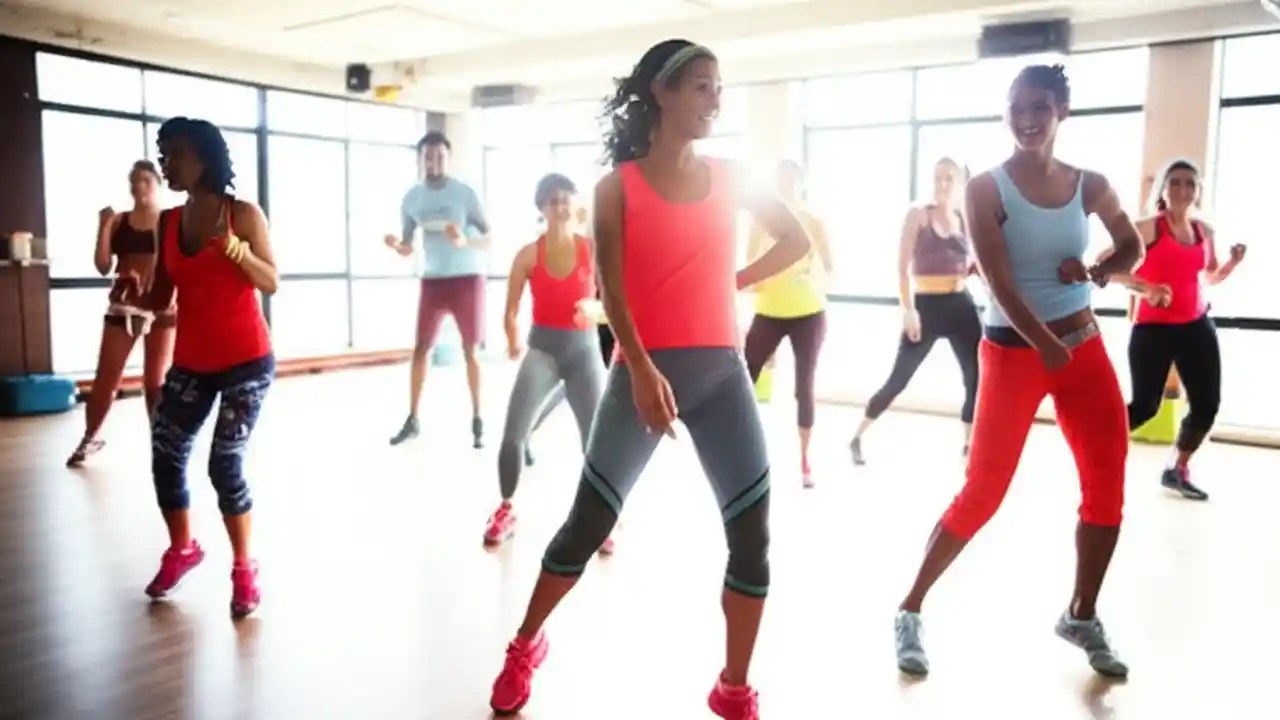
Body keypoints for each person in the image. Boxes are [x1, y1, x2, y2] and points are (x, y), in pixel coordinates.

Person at [486, 39, 810, 720]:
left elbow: (795, 239)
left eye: (719, 88)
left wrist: (736, 281)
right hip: (641, 370)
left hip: (722, 375)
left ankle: (734, 686)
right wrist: (637, 367)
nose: (714, 100)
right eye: (700, 86)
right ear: (660, 93)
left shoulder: (733, 174)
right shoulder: (616, 187)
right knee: (586, 525)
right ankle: (524, 644)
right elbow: (615, 288)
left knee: (753, 536)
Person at [892, 65, 1144, 680]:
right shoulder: (986, 188)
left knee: (1108, 482)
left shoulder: (1090, 185)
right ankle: (910, 608)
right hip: (1012, 353)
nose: (1027, 119)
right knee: (984, 490)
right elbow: (999, 280)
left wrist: (1097, 270)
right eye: (1016, 107)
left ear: (1062, 112)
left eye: (1040, 107)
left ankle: (1082, 614)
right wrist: (1043, 344)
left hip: (1081, 345)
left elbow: (1131, 244)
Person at [143, 117, 278, 619]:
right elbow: (162, 293)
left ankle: (245, 568)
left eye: (176, 154)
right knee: (165, 454)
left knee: (224, 463)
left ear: (205, 158)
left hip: (246, 361)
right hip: (193, 362)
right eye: (164, 155)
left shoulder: (242, 213)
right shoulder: (168, 222)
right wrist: (136, 296)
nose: (168, 164)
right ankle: (183, 549)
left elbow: (270, 281)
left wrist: (234, 248)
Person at [485, 173, 612, 554]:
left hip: (585, 352)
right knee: (513, 434)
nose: (560, 206)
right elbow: (510, 310)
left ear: (574, 204)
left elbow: (615, 305)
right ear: (541, 208)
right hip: (543, 350)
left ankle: (603, 518)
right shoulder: (528, 255)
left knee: (595, 442)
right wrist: (510, 339)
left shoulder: (593, 250)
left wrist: (595, 310)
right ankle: (506, 508)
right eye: (552, 200)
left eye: (565, 199)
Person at [1104, 158, 1245, 501]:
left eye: (1190, 184)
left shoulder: (1203, 232)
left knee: (1207, 404)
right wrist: (1148, 288)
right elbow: (1104, 268)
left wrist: (1231, 263)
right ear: (1164, 189)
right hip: (1153, 329)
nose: (1183, 189)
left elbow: (1208, 276)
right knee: (1145, 406)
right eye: (1176, 182)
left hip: (1196, 324)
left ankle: (1177, 469)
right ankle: (1098, 450)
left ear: (1197, 192)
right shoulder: (1147, 229)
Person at [850, 158, 980, 465]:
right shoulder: (918, 215)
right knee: (899, 378)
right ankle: (858, 436)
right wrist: (908, 310)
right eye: (938, 178)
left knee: (976, 377)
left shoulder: (963, 218)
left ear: (959, 182)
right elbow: (901, 269)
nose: (943, 184)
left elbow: (969, 262)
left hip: (961, 305)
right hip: (927, 308)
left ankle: (969, 445)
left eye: (950, 178)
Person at [386, 131, 492, 449]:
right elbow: (408, 245)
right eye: (428, 157)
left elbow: (489, 237)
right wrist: (397, 245)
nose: (434, 162)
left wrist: (464, 241)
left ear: (448, 158)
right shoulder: (412, 198)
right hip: (432, 280)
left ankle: (478, 420)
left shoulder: (465, 193)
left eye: (440, 156)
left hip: (466, 277)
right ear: (421, 159)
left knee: (470, 351)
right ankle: (413, 419)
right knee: (421, 350)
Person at [67, 160, 175, 467]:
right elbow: (102, 265)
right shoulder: (119, 221)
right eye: (134, 181)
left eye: (145, 180)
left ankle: (162, 443)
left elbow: (175, 262)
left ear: (157, 184)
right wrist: (103, 225)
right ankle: (90, 437)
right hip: (124, 305)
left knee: (155, 382)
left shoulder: (169, 221)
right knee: (106, 378)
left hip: (162, 307)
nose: (139, 186)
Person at [742, 160, 833, 488]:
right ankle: (741, 451)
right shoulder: (759, 221)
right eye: (780, 181)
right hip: (769, 311)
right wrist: (759, 282)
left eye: (790, 181)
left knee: (804, 384)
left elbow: (829, 266)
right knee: (744, 377)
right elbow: (750, 267)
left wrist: (808, 277)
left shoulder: (813, 221)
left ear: (800, 184)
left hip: (808, 312)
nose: (785, 187)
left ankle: (805, 459)